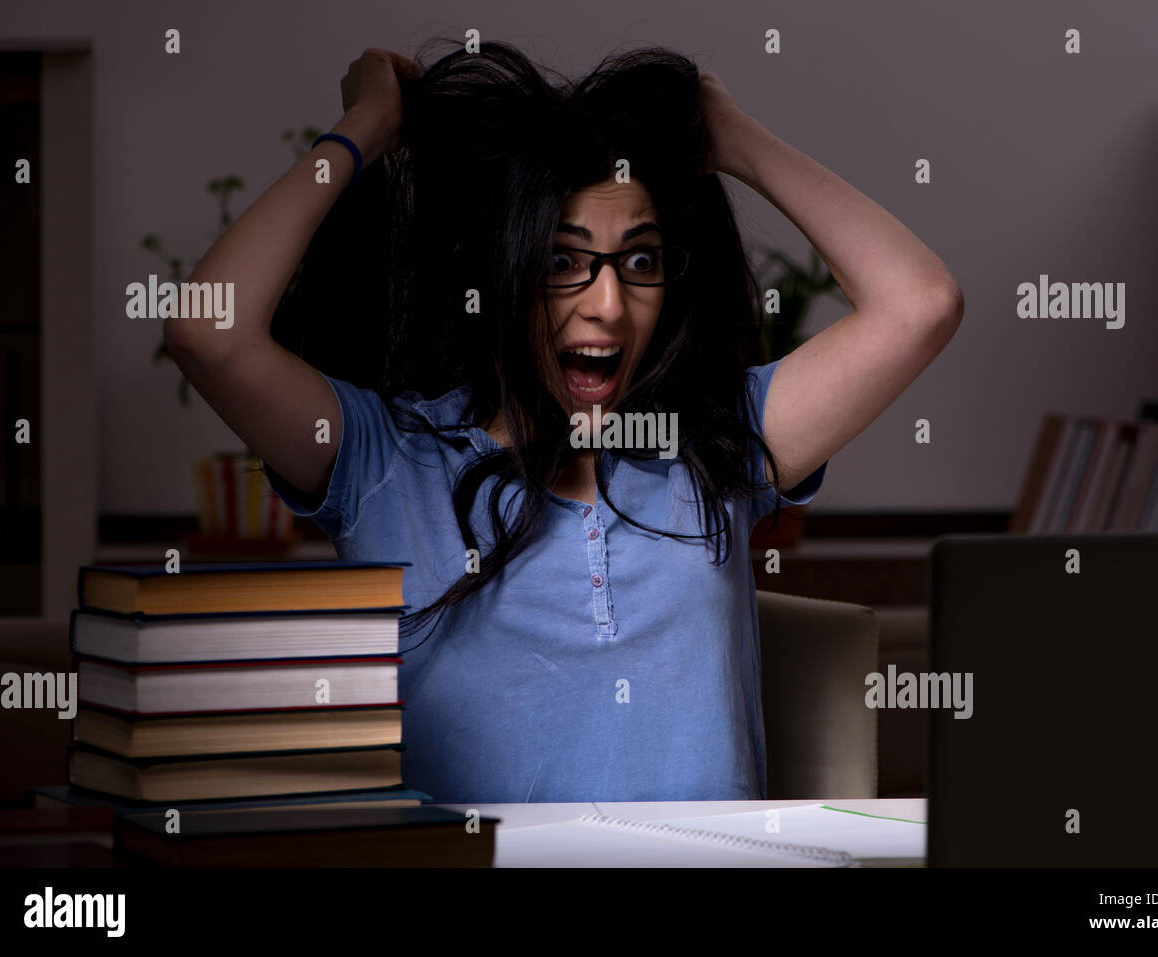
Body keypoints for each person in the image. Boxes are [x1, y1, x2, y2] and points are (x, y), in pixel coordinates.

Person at [164, 39, 963, 803]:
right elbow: (207, 330)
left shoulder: (715, 445)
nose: (608, 304)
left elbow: (921, 303)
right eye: (561, 261)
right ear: (489, 274)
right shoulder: (388, 460)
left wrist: (734, 138)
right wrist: (372, 126)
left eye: (639, 260)